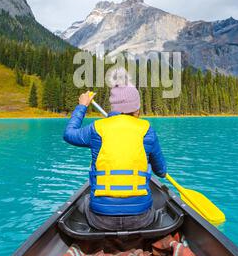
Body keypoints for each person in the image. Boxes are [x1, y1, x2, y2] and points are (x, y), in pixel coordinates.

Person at [63, 76, 167, 231]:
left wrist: (82, 106)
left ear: (113, 108)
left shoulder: (97, 128)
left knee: (82, 200)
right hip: (141, 219)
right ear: (137, 109)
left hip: (99, 220)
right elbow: (161, 171)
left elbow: (69, 134)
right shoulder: (147, 129)